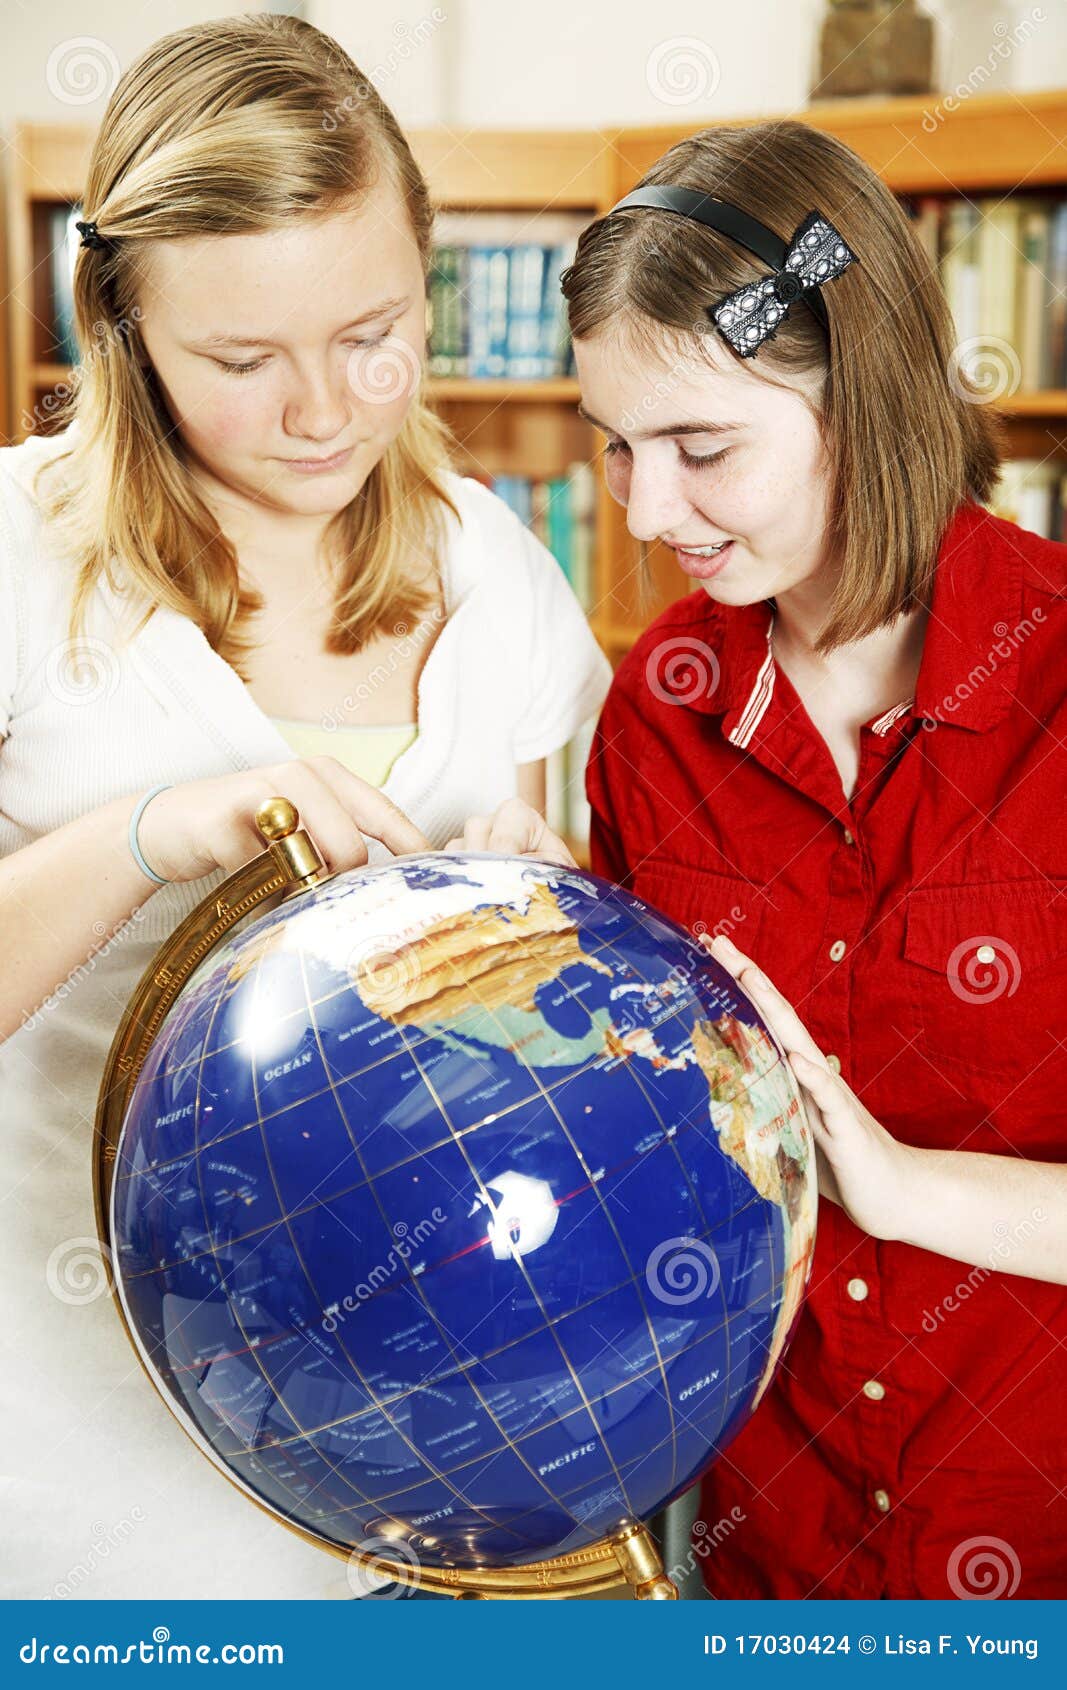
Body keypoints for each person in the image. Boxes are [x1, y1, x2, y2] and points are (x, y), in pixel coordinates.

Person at [0, 14, 607, 1599]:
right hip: (72, 1482)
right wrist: (157, 829)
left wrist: (541, 924)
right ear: (122, 324)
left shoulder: (501, 575)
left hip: (422, 1476)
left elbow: (543, 1024)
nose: (327, 410)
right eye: (241, 360)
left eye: (376, 329)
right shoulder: (14, 562)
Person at [471, 117, 1067, 1598]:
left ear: (858, 397)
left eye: (702, 447)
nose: (644, 511)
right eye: (617, 446)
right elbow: (675, 1137)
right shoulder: (657, 716)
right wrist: (559, 959)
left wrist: (907, 1185)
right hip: (771, 1550)